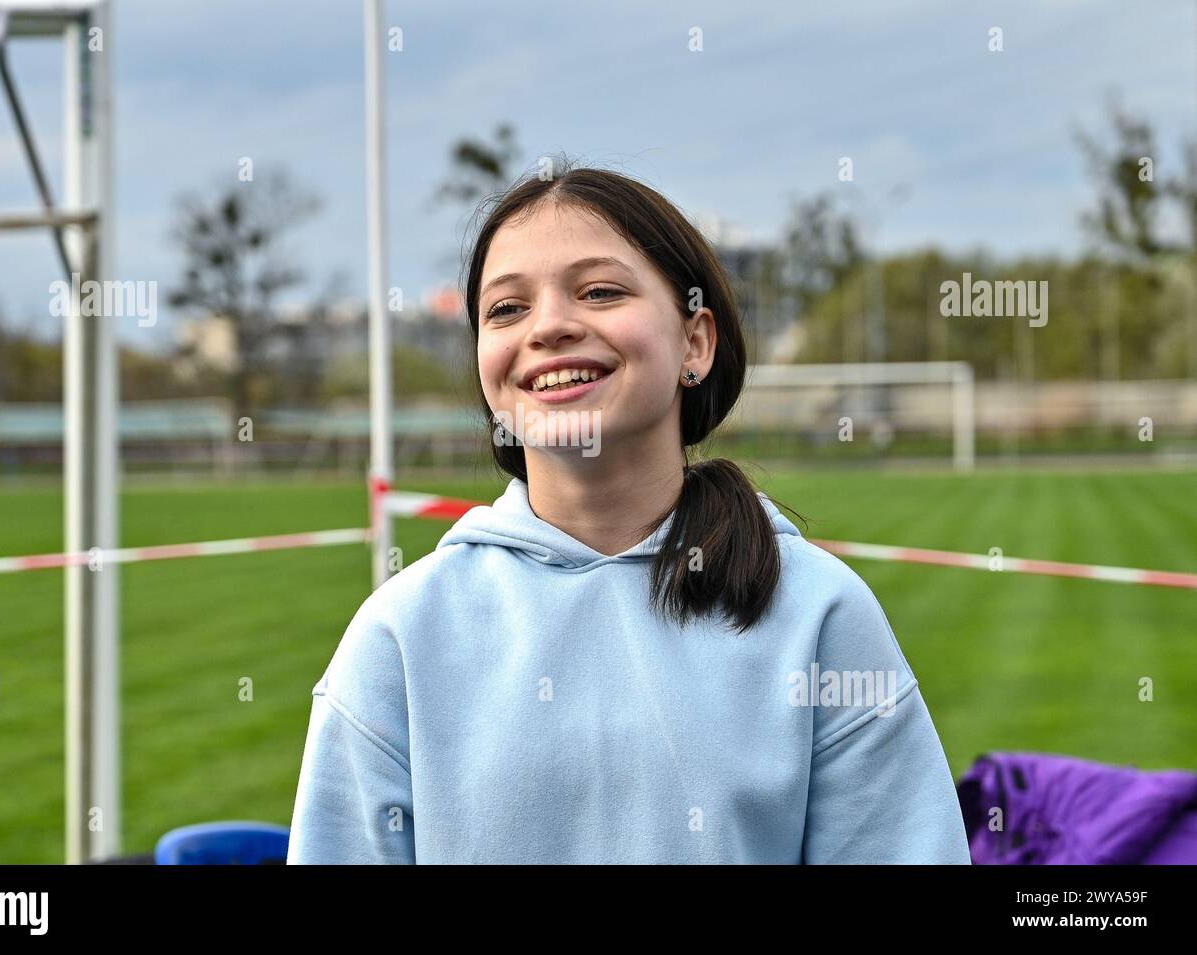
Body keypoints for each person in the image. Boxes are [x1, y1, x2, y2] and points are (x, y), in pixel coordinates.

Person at [287, 160, 972, 864]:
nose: (549, 325)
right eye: (507, 308)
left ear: (695, 342)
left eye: (600, 290)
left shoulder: (819, 612)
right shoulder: (400, 635)